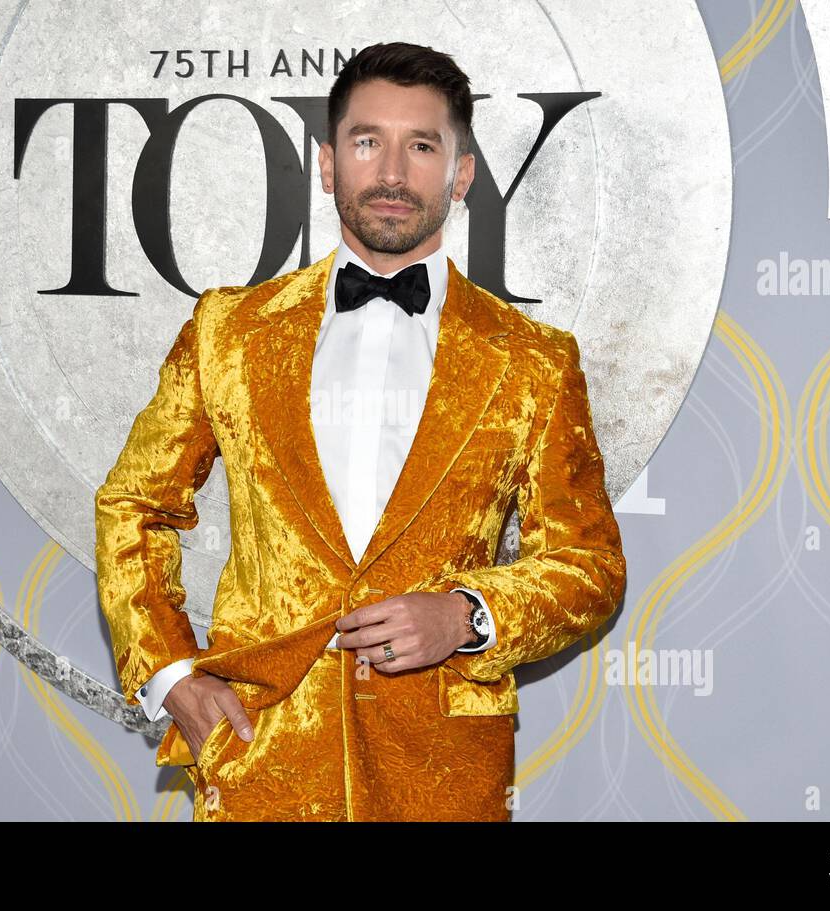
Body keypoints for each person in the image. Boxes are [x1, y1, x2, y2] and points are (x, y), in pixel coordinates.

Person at [94, 42, 626, 821]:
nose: (392, 173)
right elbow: (132, 504)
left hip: (443, 774)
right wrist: (173, 675)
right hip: (261, 760)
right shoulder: (227, 332)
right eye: (367, 141)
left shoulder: (533, 362)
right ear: (327, 163)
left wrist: (467, 614)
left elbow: (589, 565)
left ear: (462, 173)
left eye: (423, 146)